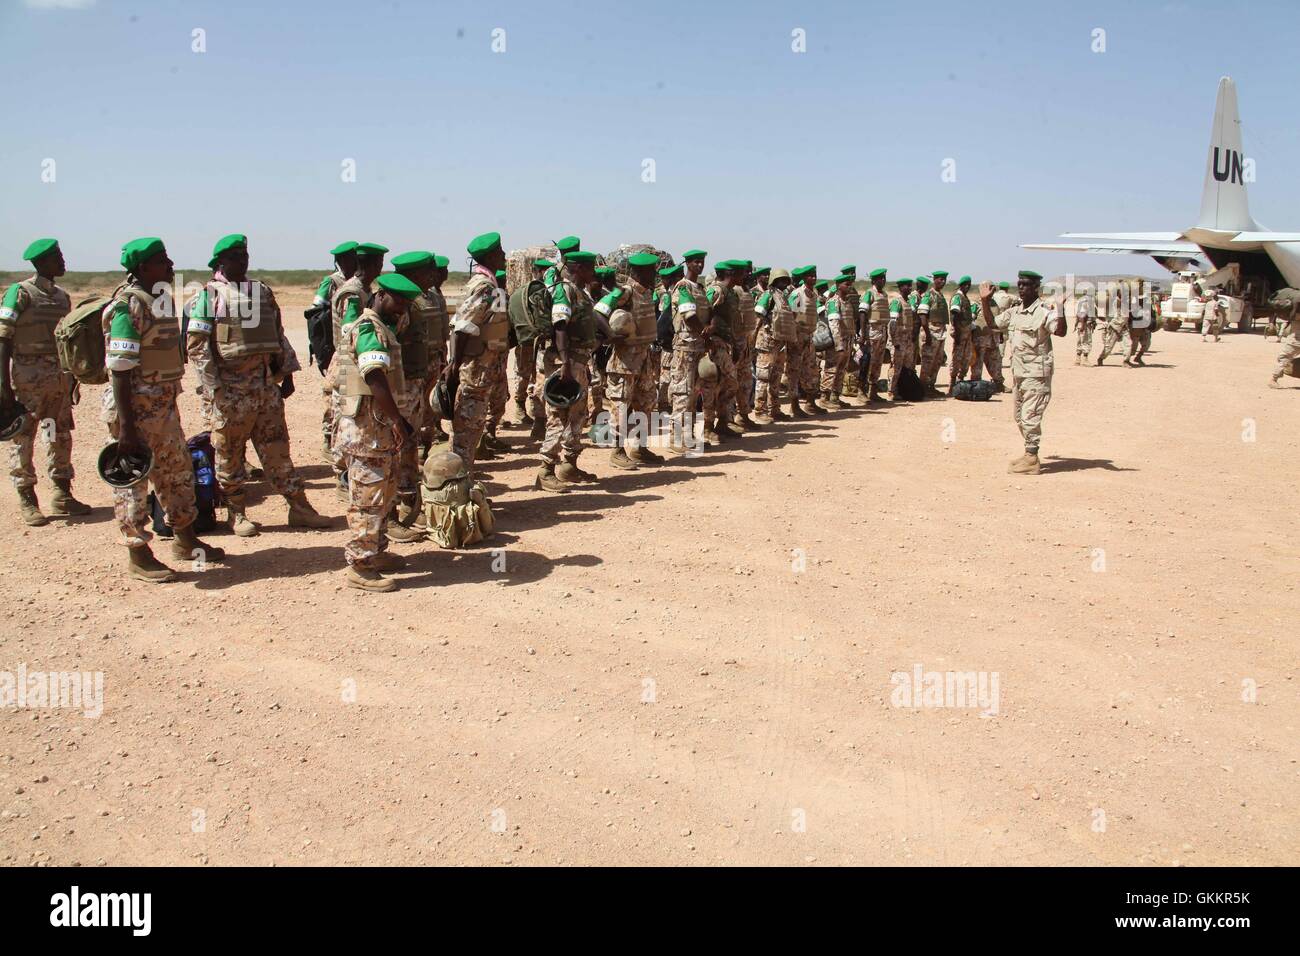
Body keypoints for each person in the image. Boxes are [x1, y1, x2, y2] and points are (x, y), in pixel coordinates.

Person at [185, 233, 329, 537]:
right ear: (221, 261)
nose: (243, 260)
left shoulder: (261, 292)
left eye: (245, 255)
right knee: (229, 454)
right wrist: (215, 391)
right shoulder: (208, 297)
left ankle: (299, 508)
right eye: (236, 256)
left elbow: (278, 335)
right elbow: (198, 347)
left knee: (278, 451)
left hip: (265, 390)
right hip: (230, 393)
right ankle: (236, 514)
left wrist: (286, 374)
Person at [102, 238, 225, 581]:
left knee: (177, 472)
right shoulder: (128, 306)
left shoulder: (160, 299)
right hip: (135, 414)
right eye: (162, 261)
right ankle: (138, 554)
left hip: (162, 409)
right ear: (143, 268)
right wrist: (126, 428)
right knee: (133, 483)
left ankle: (185, 539)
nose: (170, 266)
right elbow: (120, 369)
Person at [335, 272, 423, 592]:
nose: (402, 309)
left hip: (379, 431)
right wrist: (398, 421)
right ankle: (359, 565)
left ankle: (376, 552)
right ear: (381, 295)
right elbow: (374, 379)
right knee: (368, 499)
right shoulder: (370, 329)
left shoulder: (385, 329)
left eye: (407, 304)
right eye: (399, 301)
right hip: (366, 432)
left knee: (383, 495)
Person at [0, 238, 92, 525]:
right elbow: (3, 339)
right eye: (57, 257)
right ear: (42, 262)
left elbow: (68, 341)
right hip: (28, 377)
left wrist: (73, 376)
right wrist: (3, 385)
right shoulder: (20, 293)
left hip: (59, 379)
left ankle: (61, 493)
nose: (63, 262)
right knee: (24, 436)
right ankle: (27, 496)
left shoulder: (62, 297)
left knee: (59, 434)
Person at [534, 249, 609, 488]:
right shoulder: (564, 290)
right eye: (589, 268)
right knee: (558, 415)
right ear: (577, 268)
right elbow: (560, 327)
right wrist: (565, 363)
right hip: (565, 363)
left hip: (578, 361)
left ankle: (569, 466)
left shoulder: (580, 293)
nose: (593, 273)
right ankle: (546, 470)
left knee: (578, 415)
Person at [980, 271, 1065, 475]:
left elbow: (1060, 331)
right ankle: (1029, 454)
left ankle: (1032, 458)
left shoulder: (1044, 311)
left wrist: (1061, 308)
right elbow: (993, 324)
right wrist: (985, 301)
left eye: (1025, 284)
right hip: (1019, 373)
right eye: (1019, 284)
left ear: (1036, 288)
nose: (1021, 288)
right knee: (1019, 417)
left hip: (1037, 374)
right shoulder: (1015, 311)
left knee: (1030, 416)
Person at [447, 232, 510, 471]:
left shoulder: (491, 286)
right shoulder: (483, 287)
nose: (504, 256)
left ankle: (464, 482)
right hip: (475, 371)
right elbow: (462, 328)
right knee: (466, 431)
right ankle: (458, 487)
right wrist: (454, 365)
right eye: (500, 252)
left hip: (484, 370)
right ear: (491, 256)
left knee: (472, 429)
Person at [328, 242, 387, 496]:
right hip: (348, 366)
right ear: (373, 265)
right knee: (348, 421)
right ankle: (344, 476)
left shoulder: (364, 290)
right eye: (380, 264)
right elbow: (353, 332)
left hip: (354, 366)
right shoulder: (352, 293)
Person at [597, 252, 663, 469]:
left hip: (643, 359)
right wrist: (610, 335)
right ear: (638, 272)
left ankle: (639, 448)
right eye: (650, 271)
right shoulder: (624, 292)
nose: (654, 275)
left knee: (645, 402)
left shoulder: (647, 293)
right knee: (620, 406)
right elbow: (598, 312)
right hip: (624, 362)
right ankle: (617, 451)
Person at [310, 241, 357, 458]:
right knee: (332, 396)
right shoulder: (331, 282)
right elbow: (316, 317)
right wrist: (323, 351)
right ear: (342, 261)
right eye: (350, 259)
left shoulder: (356, 283)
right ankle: (328, 440)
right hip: (334, 347)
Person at [667, 249, 711, 453]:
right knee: (682, 393)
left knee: (693, 394)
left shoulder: (699, 288)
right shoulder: (683, 287)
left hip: (697, 346)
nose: (700, 265)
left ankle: (689, 435)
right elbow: (688, 314)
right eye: (695, 262)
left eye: (701, 262)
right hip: (685, 347)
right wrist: (704, 329)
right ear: (687, 264)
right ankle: (676, 439)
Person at [753, 268, 796, 421]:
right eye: (781, 280)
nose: (784, 282)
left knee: (776, 377)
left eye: (786, 279)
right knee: (763, 378)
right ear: (775, 281)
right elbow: (758, 317)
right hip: (767, 342)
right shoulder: (768, 295)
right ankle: (760, 411)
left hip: (780, 342)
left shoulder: (783, 297)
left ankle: (774, 409)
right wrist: (752, 340)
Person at [788, 265, 823, 415]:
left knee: (811, 370)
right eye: (810, 276)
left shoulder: (813, 295)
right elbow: (791, 317)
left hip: (809, 337)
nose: (813, 278)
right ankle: (794, 406)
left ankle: (810, 403)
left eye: (814, 275)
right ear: (804, 278)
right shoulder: (797, 294)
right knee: (794, 371)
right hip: (797, 338)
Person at [820, 273, 856, 408]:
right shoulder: (833, 302)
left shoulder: (847, 302)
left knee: (841, 370)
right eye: (846, 284)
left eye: (850, 284)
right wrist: (838, 344)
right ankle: (824, 397)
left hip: (848, 340)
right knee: (831, 369)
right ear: (838, 286)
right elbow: (834, 324)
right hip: (838, 342)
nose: (849, 286)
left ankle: (835, 397)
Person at [857, 268, 891, 403]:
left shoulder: (884, 295)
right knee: (867, 362)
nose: (882, 280)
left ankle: (873, 391)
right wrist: (863, 334)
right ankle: (861, 391)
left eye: (884, 278)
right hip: (871, 332)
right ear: (874, 280)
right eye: (880, 278)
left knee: (877, 363)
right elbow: (863, 313)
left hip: (882, 332)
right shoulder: (869, 294)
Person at [917, 270, 950, 395]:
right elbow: (923, 315)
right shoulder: (928, 295)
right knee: (927, 362)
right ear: (934, 280)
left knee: (937, 360)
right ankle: (923, 387)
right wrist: (928, 334)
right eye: (940, 279)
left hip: (940, 333)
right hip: (931, 331)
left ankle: (931, 386)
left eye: (944, 280)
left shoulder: (940, 296)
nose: (942, 282)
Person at [889, 277, 916, 398]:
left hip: (908, 340)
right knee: (896, 367)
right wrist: (895, 341)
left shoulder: (908, 302)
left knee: (907, 367)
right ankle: (892, 390)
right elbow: (892, 322)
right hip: (899, 341)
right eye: (907, 286)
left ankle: (902, 390)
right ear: (901, 288)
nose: (910, 288)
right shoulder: (897, 302)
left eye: (910, 285)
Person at [947, 275, 975, 392]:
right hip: (960, 332)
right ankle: (952, 383)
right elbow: (954, 315)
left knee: (966, 357)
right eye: (965, 285)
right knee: (957, 357)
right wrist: (957, 332)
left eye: (969, 284)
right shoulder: (957, 297)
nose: (967, 287)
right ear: (961, 285)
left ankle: (960, 380)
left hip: (966, 332)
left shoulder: (965, 298)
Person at [1269, 294, 1299, 388]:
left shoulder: (1295, 313)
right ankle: (1273, 379)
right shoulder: (1296, 313)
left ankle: (1274, 379)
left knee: (1284, 357)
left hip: (1294, 339)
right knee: (1284, 358)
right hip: (1296, 340)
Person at [1073, 287, 1095, 364]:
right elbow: (1083, 314)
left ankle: (1078, 359)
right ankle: (1085, 359)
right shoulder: (1088, 301)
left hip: (1080, 323)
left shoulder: (1080, 300)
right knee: (1087, 341)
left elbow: (1077, 314)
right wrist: (1083, 325)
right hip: (1085, 324)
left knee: (1080, 341)